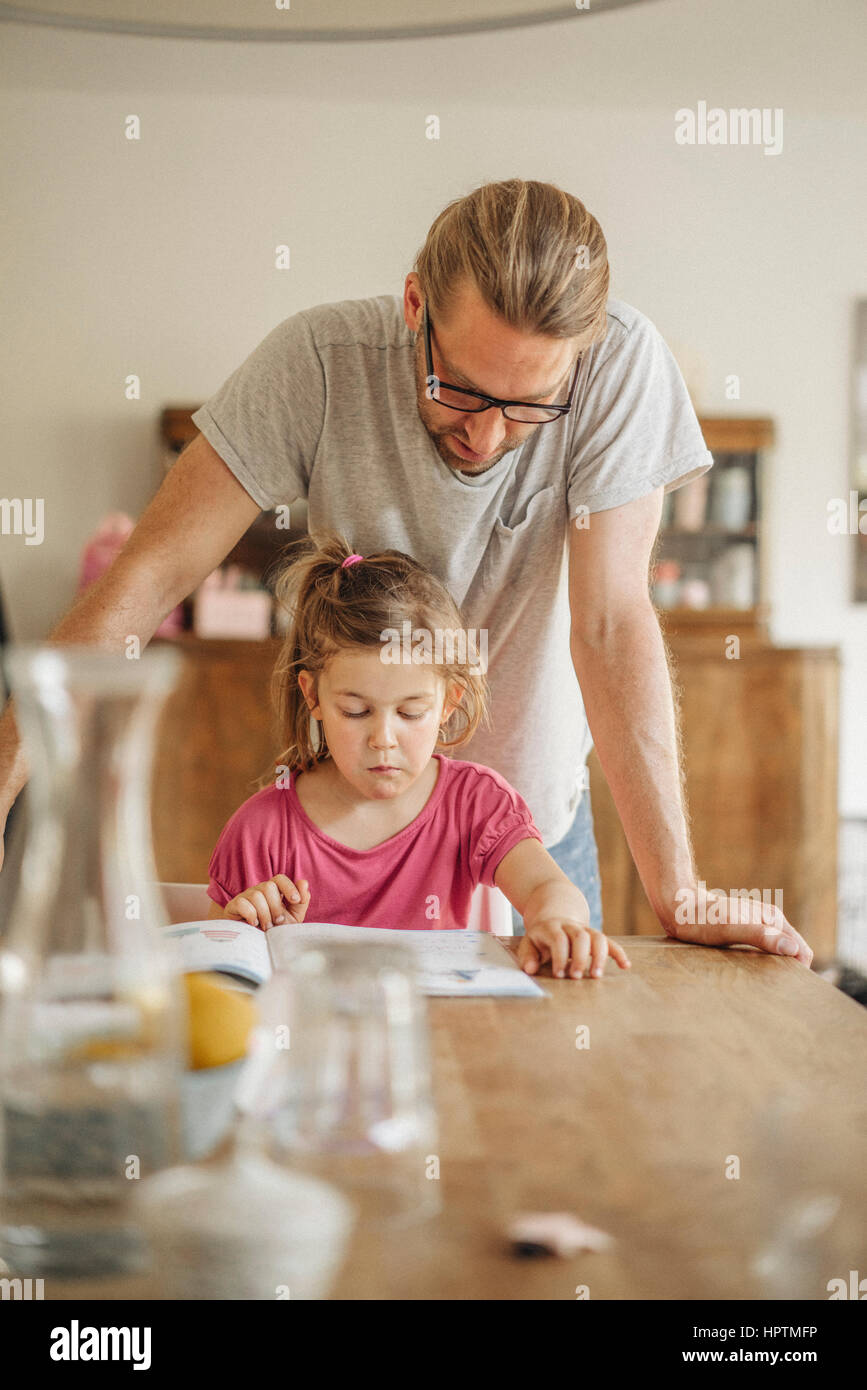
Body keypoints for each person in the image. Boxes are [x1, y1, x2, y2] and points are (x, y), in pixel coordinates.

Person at [0, 178, 811, 965]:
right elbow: (144, 581)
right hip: (339, 833)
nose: (487, 437)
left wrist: (680, 894)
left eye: (530, 406)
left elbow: (608, 623)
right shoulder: (316, 363)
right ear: (415, 306)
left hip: (527, 840)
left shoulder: (624, 366)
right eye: (459, 389)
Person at [205, 535, 631, 982]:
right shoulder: (260, 831)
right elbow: (219, 975)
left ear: (449, 703)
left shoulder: (476, 804)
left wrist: (556, 920)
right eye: (356, 711)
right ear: (312, 695)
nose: (383, 739)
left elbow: (548, 887)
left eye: (411, 712)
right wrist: (247, 935)